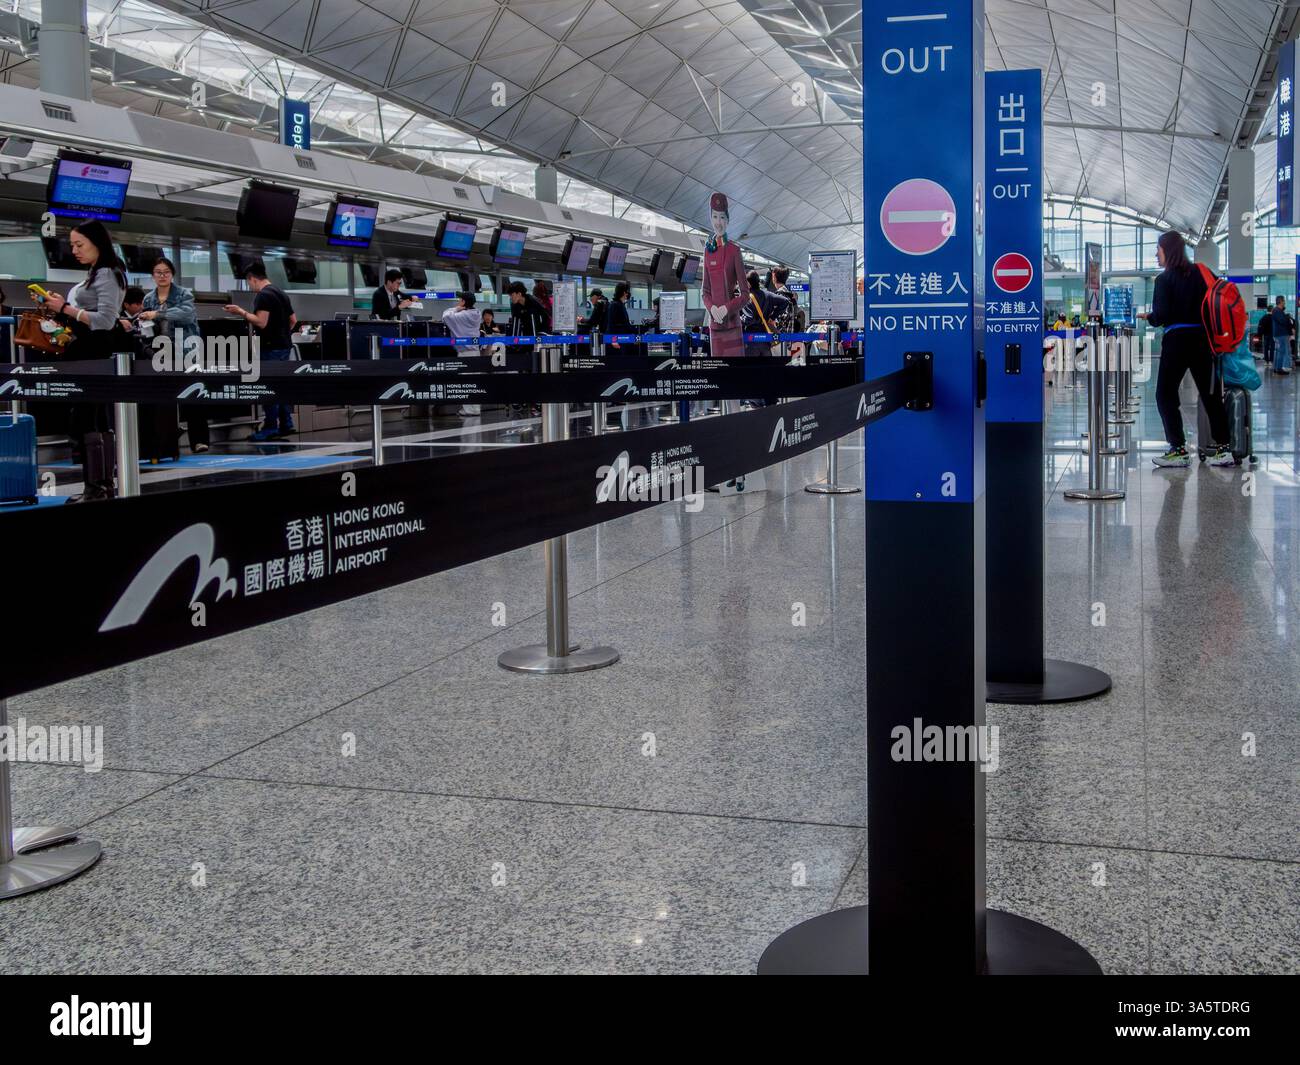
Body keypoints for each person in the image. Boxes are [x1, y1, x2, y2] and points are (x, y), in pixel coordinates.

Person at [31, 220, 127, 500]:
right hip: (89, 349)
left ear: (98, 243)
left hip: (94, 350)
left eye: (79, 244)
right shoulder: (98, 272)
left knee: (87, 417)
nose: (74, 250)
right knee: (91, 416)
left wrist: (66, 308)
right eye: (72, 244)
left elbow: (105, 320)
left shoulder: (107, 273)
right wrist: (65, 308)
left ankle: (97, 487)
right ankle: (99, 486)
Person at [1139, 230, 1232, 467]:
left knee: (1165, 394)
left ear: (1167, 250)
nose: (1155, 254)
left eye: (1158, 249)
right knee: (1210, 395)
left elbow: (1161, 316)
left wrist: (1148, 317)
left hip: (1176, 341)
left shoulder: (1164, 280)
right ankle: (1224, 448)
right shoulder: (1202, 273)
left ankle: (1178, 448)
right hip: (1203, 340)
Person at [142, 257, 208, 453]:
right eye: (158, 272)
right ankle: (168, 436)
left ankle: (199, 440)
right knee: (166, 396)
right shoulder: (149, 299)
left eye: (166, 272)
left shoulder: (183, 293)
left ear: (172, 274)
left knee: (193, 392)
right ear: (153, 275)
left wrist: (158, 314)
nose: (162, 276)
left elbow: (186, 314)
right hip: (162, 350)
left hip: (186, 349)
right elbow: (149, 325)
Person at [225, 266, 296, 441]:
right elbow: (293, 320)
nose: (250, 287)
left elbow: (261, 322)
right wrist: (282, 334)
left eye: (249, 283)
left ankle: (270, 427)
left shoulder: (263, 295)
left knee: (269, 387)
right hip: (284, 346)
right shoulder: (281, 293)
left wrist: (241, 312)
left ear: (252, 279)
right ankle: (287, 424)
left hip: (270, 348)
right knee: (280, 386)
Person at [701, 191, 746, 357]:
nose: (718, 222)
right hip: (715, 327)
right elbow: (705, 291)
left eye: (722, 217)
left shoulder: (734, 250)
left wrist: (726, 308)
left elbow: (745, 295)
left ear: (727, 220)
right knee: (719, 376)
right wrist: (712, 308)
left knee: (736, 376)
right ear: (710, 218)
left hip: (733, 326)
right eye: (714, 217)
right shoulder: (707, 251)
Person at [441, 292, 482, 417]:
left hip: (465, 353)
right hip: (476, 351)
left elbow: (445, 316)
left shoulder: (461, 316)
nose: (458, 302)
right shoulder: (477, 313)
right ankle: (476, 408)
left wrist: (456, 309)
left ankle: (469, 410)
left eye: (460, 300)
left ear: (464, 302)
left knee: (466, 381)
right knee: (475, 381)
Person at [1270, 295, 1294, 375]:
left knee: (1279, 351)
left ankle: (1277, 368)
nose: (1284, 302)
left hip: (1280, 334)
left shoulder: (1277, 310)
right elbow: (1282, 321)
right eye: (1284, 301)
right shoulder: (1277, 311)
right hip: (1281, 334)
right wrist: (1287, 318)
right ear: (1280, 301)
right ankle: (1279, 368)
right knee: (1282, 351)